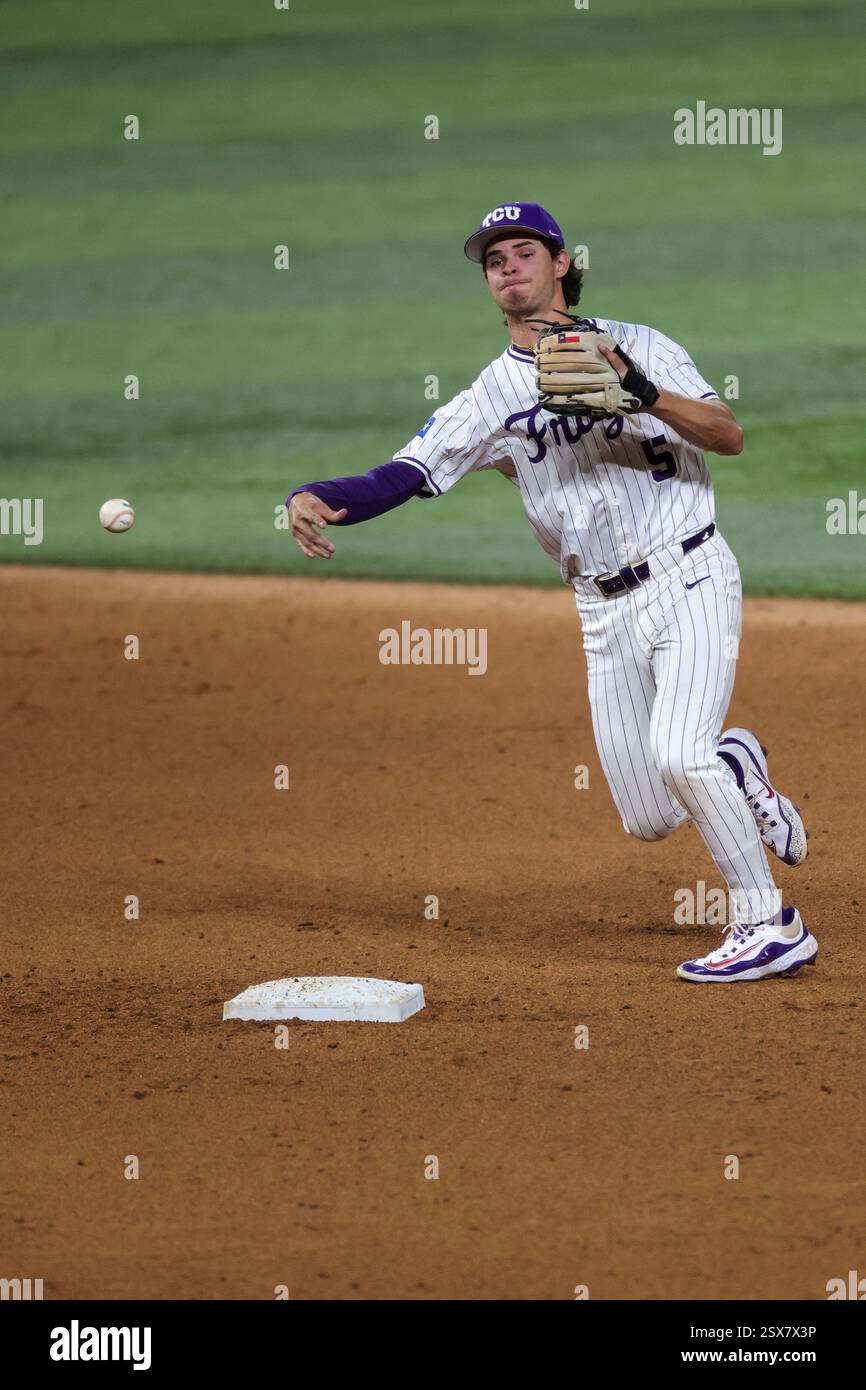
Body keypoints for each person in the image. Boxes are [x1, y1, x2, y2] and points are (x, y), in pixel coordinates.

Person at [286, 201, 815, 984]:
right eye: (493, 260)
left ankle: (769, 924)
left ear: (562, 264)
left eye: (523, 252)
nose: (507, 268)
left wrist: (638, 392)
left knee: (677, 750)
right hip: (601, 610)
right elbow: (406, 473)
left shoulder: (639, 345)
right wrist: (315, 493)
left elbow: (726, 435)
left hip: (690, 572)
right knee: (647, 815)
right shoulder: (492, 394)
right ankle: (735, 764)